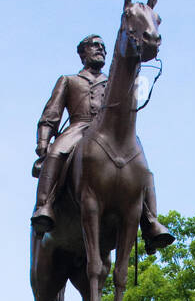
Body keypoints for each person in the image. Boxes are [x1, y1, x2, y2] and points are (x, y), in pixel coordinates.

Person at [31, 33, 173, 252]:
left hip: (110, 134)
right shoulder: (69, 81)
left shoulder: (113, 83)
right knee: (57, 153)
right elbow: (51, 114)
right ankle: (45, 207)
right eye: (94, 46)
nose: (100, 50)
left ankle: (150, 222)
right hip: (78, 127)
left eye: (104, 48)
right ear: (82, 53)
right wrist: (43, 143)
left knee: (144, 169)